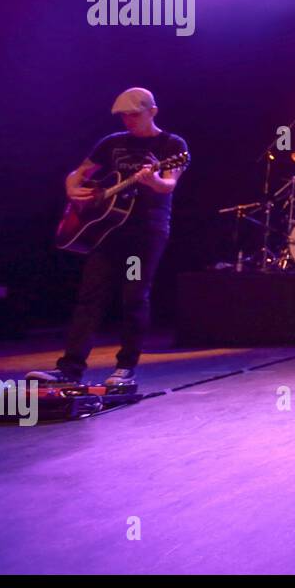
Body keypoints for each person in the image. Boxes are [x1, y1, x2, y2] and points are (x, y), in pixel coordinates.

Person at [30, 88, 188, 386]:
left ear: (152, 111)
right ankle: (69, 369)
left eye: (134, 114)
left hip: (146, 230)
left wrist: (153, 180)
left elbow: (169, 184)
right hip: (106, 230)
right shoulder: (112, 143)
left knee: (134, 297)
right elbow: (79, 173)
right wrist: (72, 189)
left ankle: (125, 368)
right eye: (123, 115)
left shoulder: (172, 145)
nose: (128, 120)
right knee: (89, 298)